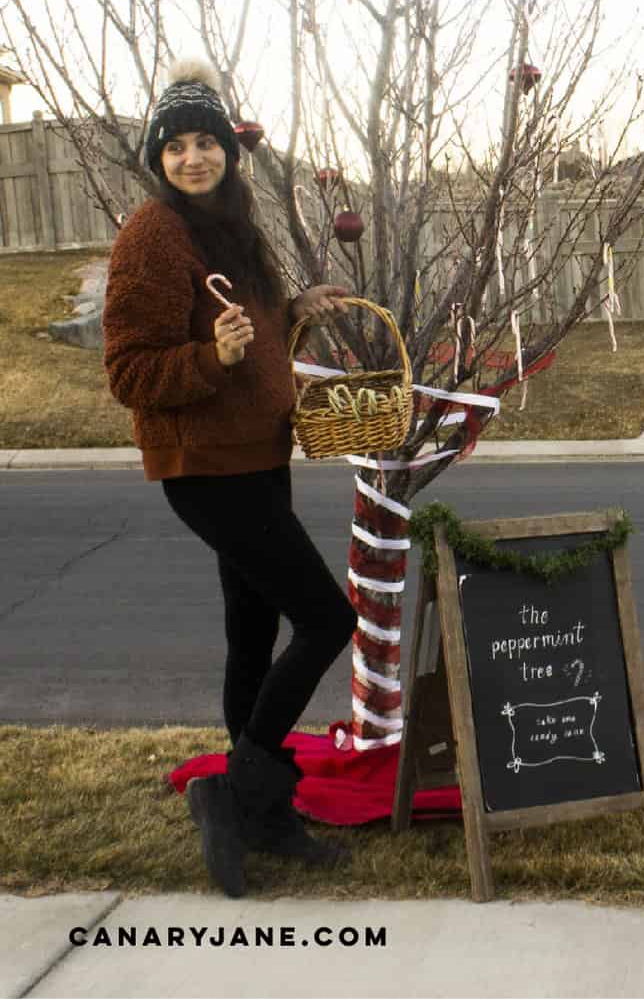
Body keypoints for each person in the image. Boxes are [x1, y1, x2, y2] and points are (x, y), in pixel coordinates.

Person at [102, 59, 358, 898]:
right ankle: (237, 791)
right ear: (158, 158)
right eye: (175, 146)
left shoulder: (233, 223)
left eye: (205, 141)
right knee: (326, 618)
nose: (193, 157)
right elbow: (130, 370)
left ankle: (266, 816)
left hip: (259, 452)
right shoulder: (152, 236)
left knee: (252, 632)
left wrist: (292, 313)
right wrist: (211, 359)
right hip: (207, 467)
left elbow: (248, 327)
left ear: (227, 149)